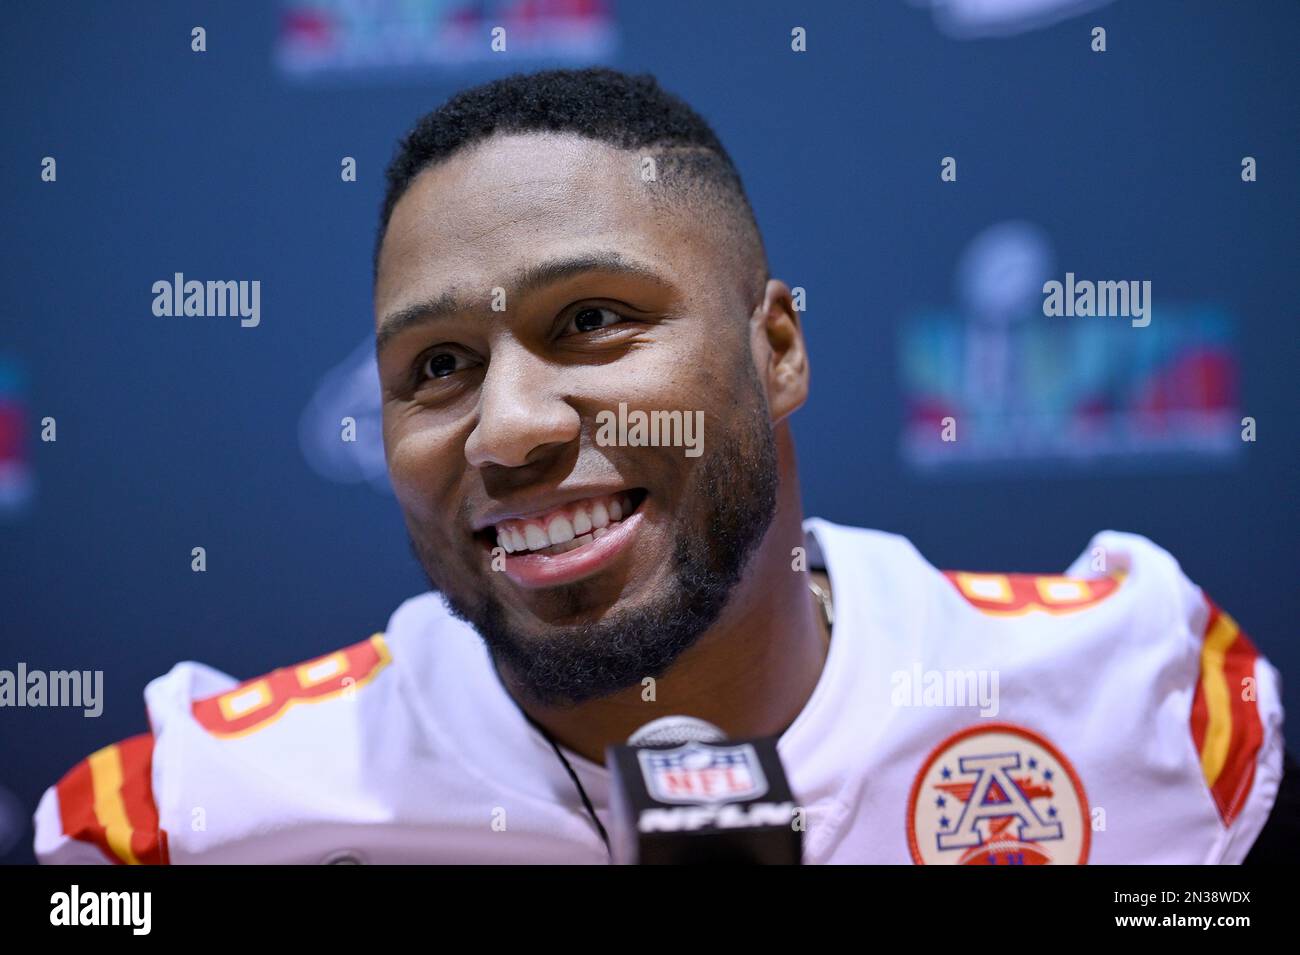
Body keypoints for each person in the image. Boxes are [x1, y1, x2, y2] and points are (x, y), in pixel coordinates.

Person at [34, 68, 1293, 864]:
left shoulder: (1150, 707)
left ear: (779, 348)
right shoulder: (181, 822)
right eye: (438, 366)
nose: (509, 430)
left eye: (591, 321)